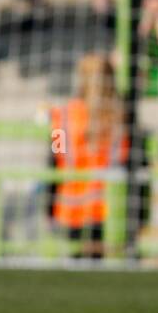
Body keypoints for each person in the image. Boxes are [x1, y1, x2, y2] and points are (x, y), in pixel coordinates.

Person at [50, 54, 129, 259]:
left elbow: (54, 159)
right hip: (108, 209)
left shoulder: (63, 114)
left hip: (70, 207)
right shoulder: (120, 117)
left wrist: (49, 208)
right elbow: (122, 159)